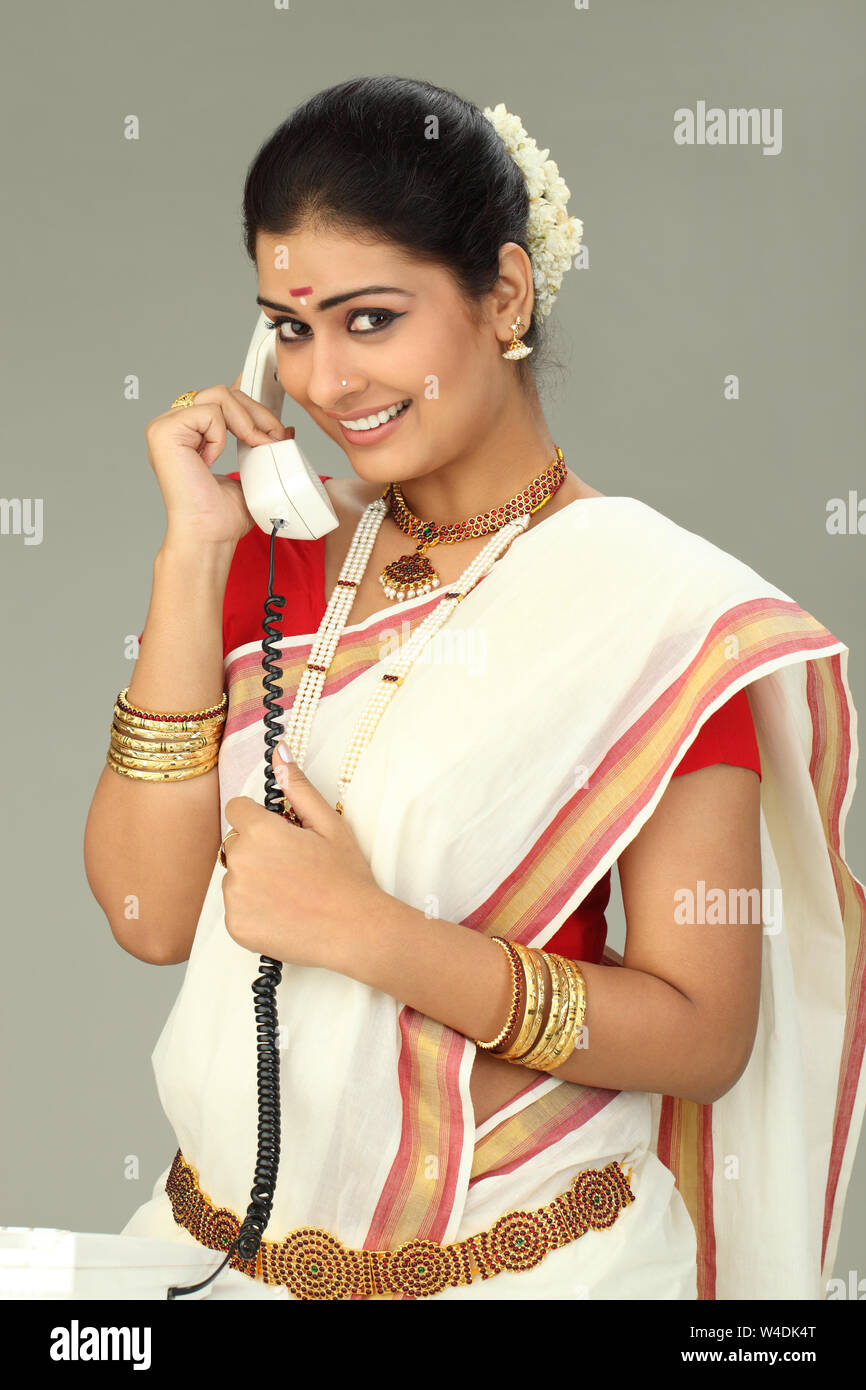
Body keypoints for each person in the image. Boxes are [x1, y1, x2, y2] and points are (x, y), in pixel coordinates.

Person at [84, 75, 864, 1301]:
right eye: (289, 328)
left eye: (370, 319)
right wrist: (190, 552)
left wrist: (373, 934)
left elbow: (705, 1035)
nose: (327, 381)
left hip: (532, 1271)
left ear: (501, 296)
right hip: (218, 1253)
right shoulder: (270, 561)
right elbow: (147, 914)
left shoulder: (649, 612)